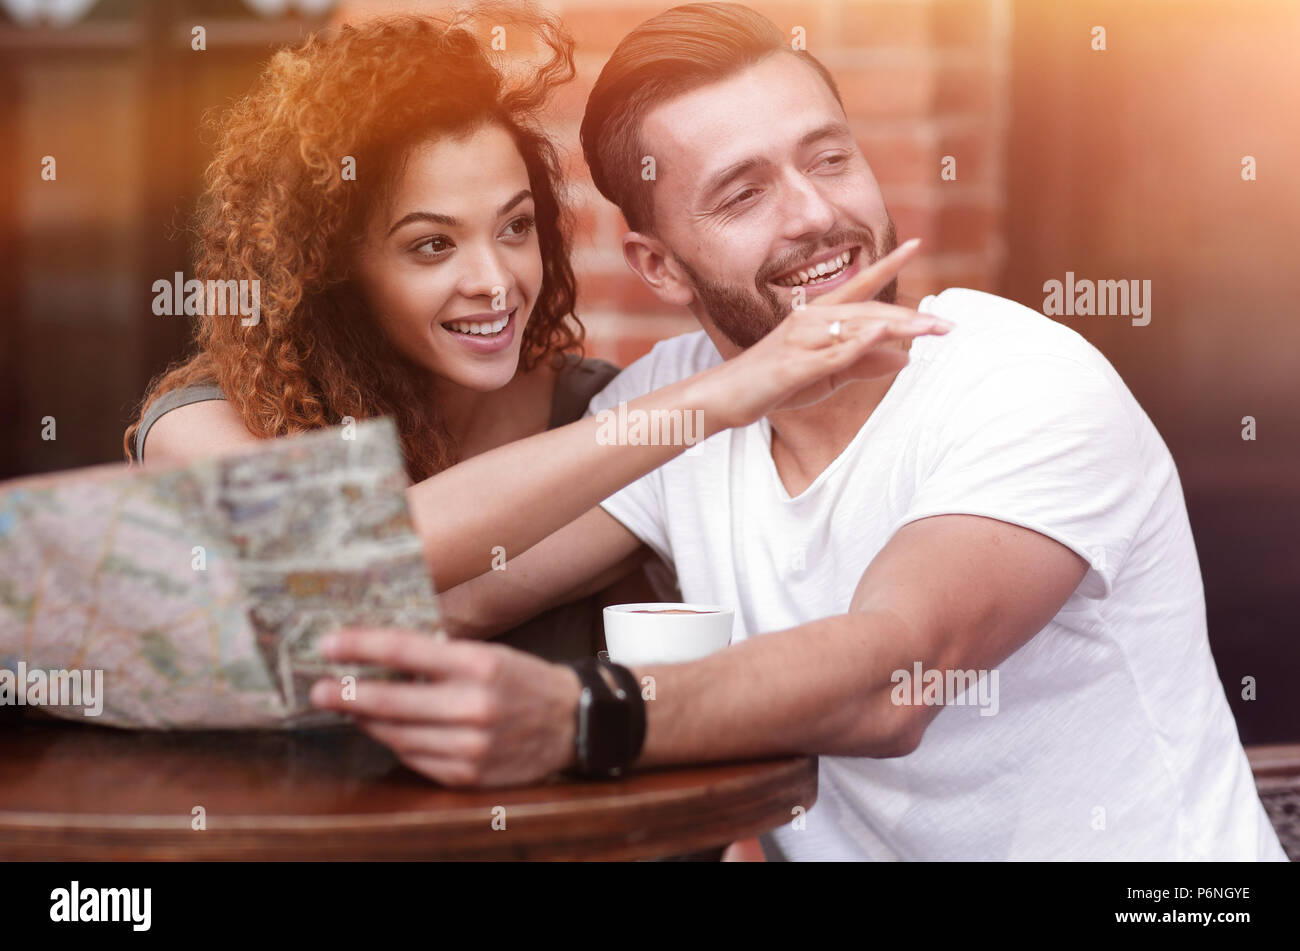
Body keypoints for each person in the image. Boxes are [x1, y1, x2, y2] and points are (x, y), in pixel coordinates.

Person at [310, 3, 1287, 862]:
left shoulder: (1021, 377)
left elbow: (893, 678)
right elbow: (410, 592)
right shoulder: (683, 403)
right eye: (743, 194)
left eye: (829, 158)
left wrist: (581, 717)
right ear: (658, 267)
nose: (817, 215)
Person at [128, 8, 936, 664]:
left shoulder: (595, 413)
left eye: (515, 228)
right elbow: (345, 561)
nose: (495, 279)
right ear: (333, 271)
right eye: (431, 245)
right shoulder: (207, 424)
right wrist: (735, 386)